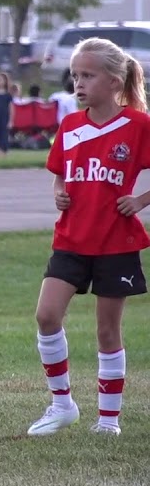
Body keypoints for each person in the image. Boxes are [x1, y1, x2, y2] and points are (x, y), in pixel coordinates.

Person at [27, 37, 150, 438]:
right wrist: (58, 193)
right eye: (75, 75)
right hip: (71, 238)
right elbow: (60, 172)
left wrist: (141, 199)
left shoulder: (138, 125)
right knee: (47, 315)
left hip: (116, 242)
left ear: (115, 81)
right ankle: (62, 405)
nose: (78, 83)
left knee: (106, 330)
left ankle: (108, 421)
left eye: (88, 76)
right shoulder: (71, 125)